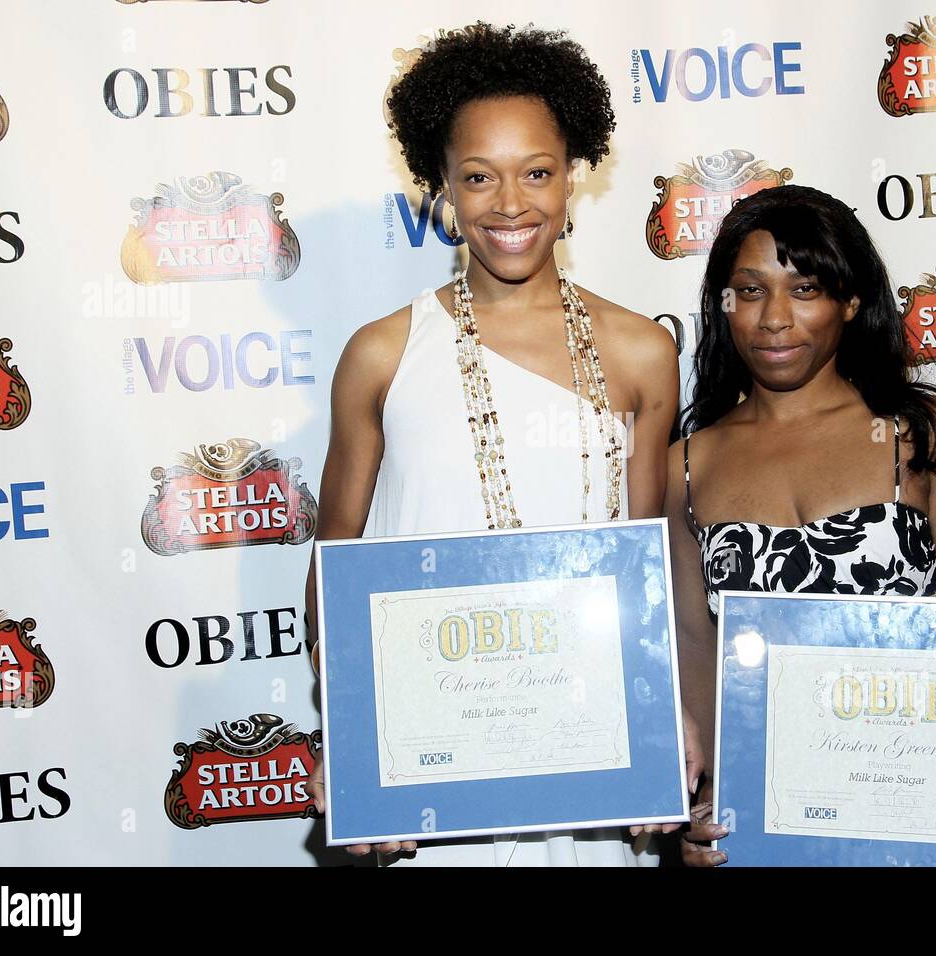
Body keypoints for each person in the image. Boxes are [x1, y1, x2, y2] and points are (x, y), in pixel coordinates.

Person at [302, 23, 689, 866]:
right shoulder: (382, 353)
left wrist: (667, 719)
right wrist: (358, 738)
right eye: (478, 176)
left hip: (589, 771)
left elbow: (646, 568)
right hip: (430, 773)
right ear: (441, 184)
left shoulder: (641, 353)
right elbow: (334, 571)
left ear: (574, 173)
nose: (510, 203)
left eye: (537, 172)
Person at [664, 185, 936, 866]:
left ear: (850, 302)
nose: (774, 319)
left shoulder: (923, 433)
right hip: (770, 824)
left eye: (806, 289)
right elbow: (697, 650)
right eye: (750, 291)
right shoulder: (687, 465)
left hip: (920, 804)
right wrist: (706, 805)